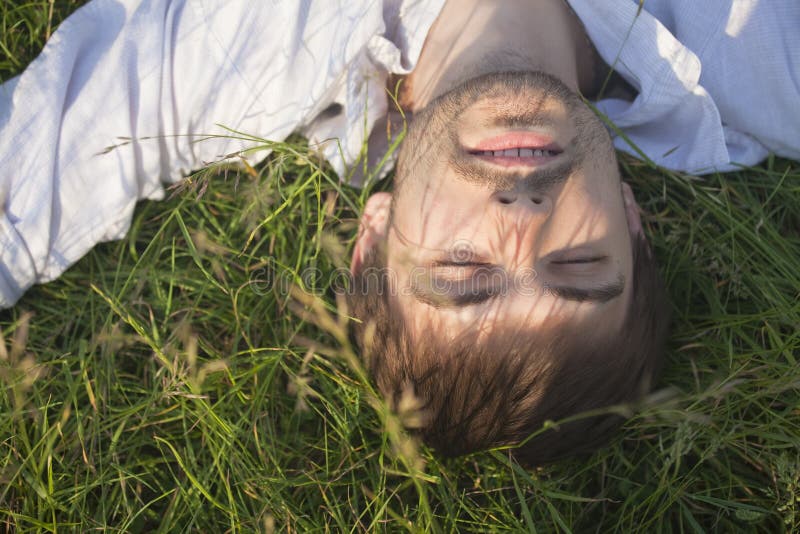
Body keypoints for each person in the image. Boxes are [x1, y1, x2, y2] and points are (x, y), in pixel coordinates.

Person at [1, 0, 797, 463]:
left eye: (461, 271)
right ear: (632, 219)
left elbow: (25, 190)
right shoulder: (758, 53)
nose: (521, 223)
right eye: (578, 263)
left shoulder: (254, 55)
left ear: (373, 236)